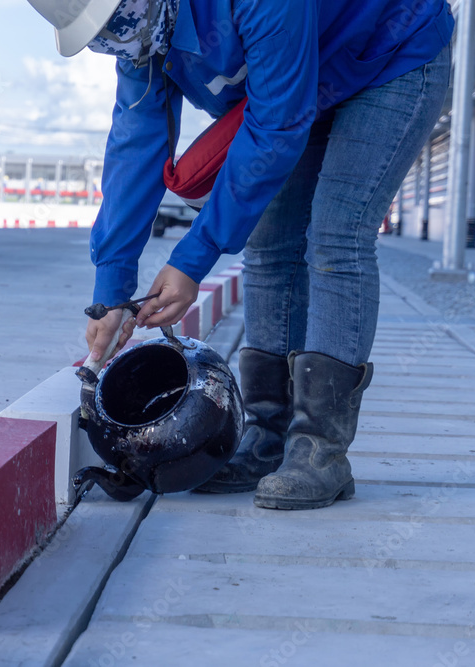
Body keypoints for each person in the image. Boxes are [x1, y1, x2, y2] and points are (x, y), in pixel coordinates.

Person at [25, 0, 453, 509]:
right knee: (269, 245)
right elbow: (135, 143)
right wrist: (111, 290)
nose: (118, 41)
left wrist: (192, 259)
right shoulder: (142, 35)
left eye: (116, 24)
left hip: (388, 53)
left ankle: (321, 452)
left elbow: (276, 126)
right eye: (102, 37)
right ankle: (267, 439)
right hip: (303, 78)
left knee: (336, 235)